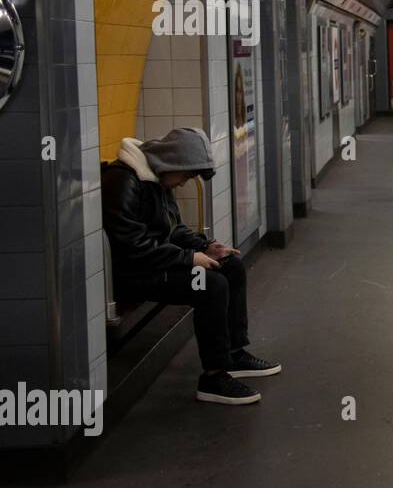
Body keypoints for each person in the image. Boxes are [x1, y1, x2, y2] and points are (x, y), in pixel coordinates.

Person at [102, 127, 280, 405]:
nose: (184, 183)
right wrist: (188, 258)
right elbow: (130, 247)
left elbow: (171, 230)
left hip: (156, 263)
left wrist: (204, 246)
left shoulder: (157, 180)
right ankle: (214, 376)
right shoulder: (123, 181)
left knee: (230, 265)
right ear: (170, 163)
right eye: (185, 175)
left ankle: (233, 353)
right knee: (211, 285)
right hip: (133, 273)